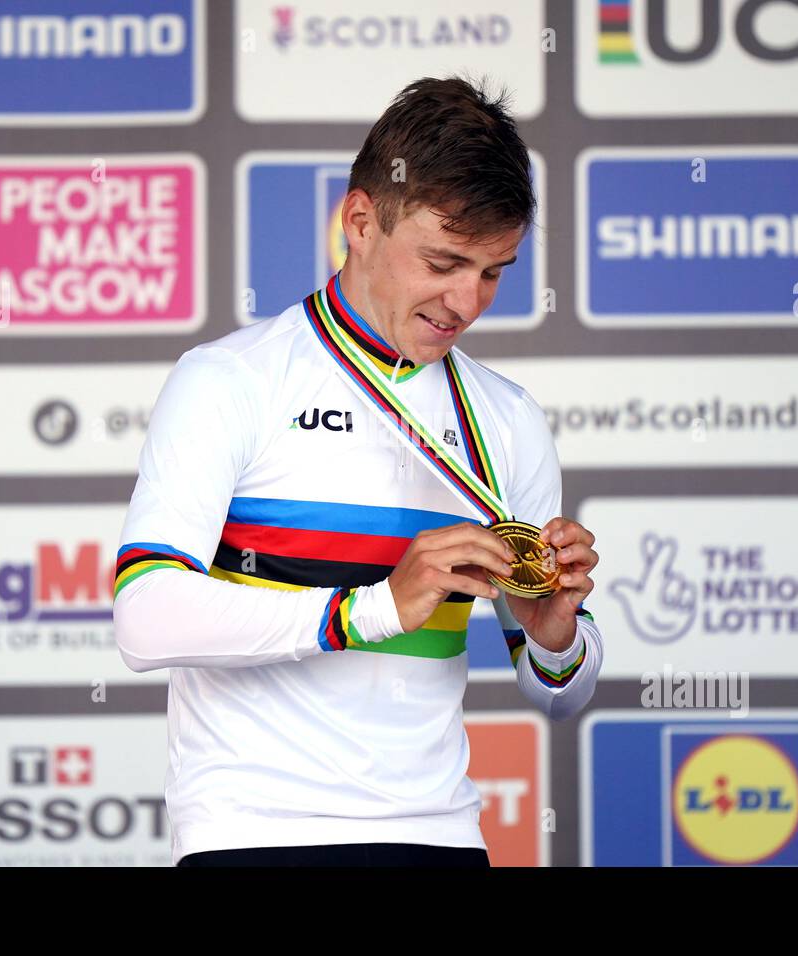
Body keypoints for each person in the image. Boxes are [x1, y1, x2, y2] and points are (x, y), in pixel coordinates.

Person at [113, 74, 605, 868]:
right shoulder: (232, 379)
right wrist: (371, 607)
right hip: (256, 834)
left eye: (493, 271)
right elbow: (146, 617)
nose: (466, 301)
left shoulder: (506, 416)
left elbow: (561, 688)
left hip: (438, 836)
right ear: (360, 222)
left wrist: (554, 637)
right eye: (443, 261)